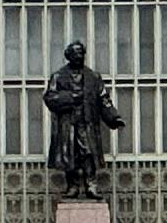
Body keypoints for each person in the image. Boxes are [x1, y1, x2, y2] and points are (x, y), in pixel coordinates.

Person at [42, 40, 126, 200]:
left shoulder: (93, 77)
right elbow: (49, 97)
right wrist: (70, 97)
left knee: (88, 154)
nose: (79, 56)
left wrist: (114, 118)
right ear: (69, 56)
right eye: (76, 53)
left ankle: (91, 185)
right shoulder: (59, 77)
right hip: (68, 124)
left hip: (87, 123)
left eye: (82, 53)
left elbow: (103, 99)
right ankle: (72, 186)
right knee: (70, 155)